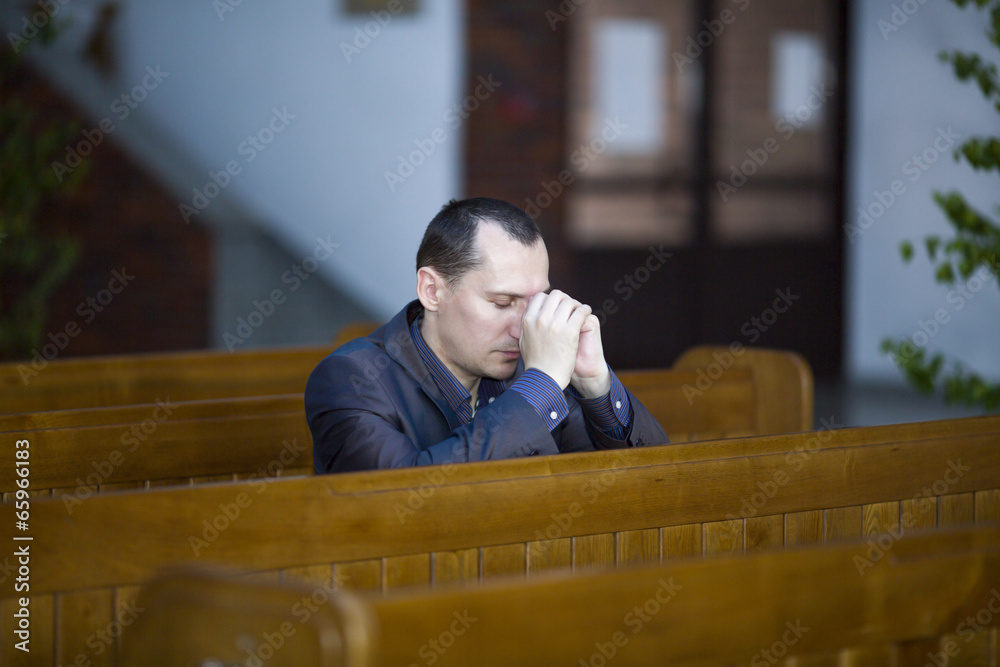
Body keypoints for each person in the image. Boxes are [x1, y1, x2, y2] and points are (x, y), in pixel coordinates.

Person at [306, 197, 669, 473]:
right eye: (502, 302)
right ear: (432, 290)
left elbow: (654, 483)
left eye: (534, 302)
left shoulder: (537, 365)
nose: (522, 326)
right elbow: (406, 500)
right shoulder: (349, 380)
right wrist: (540, 387)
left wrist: (596, 383)